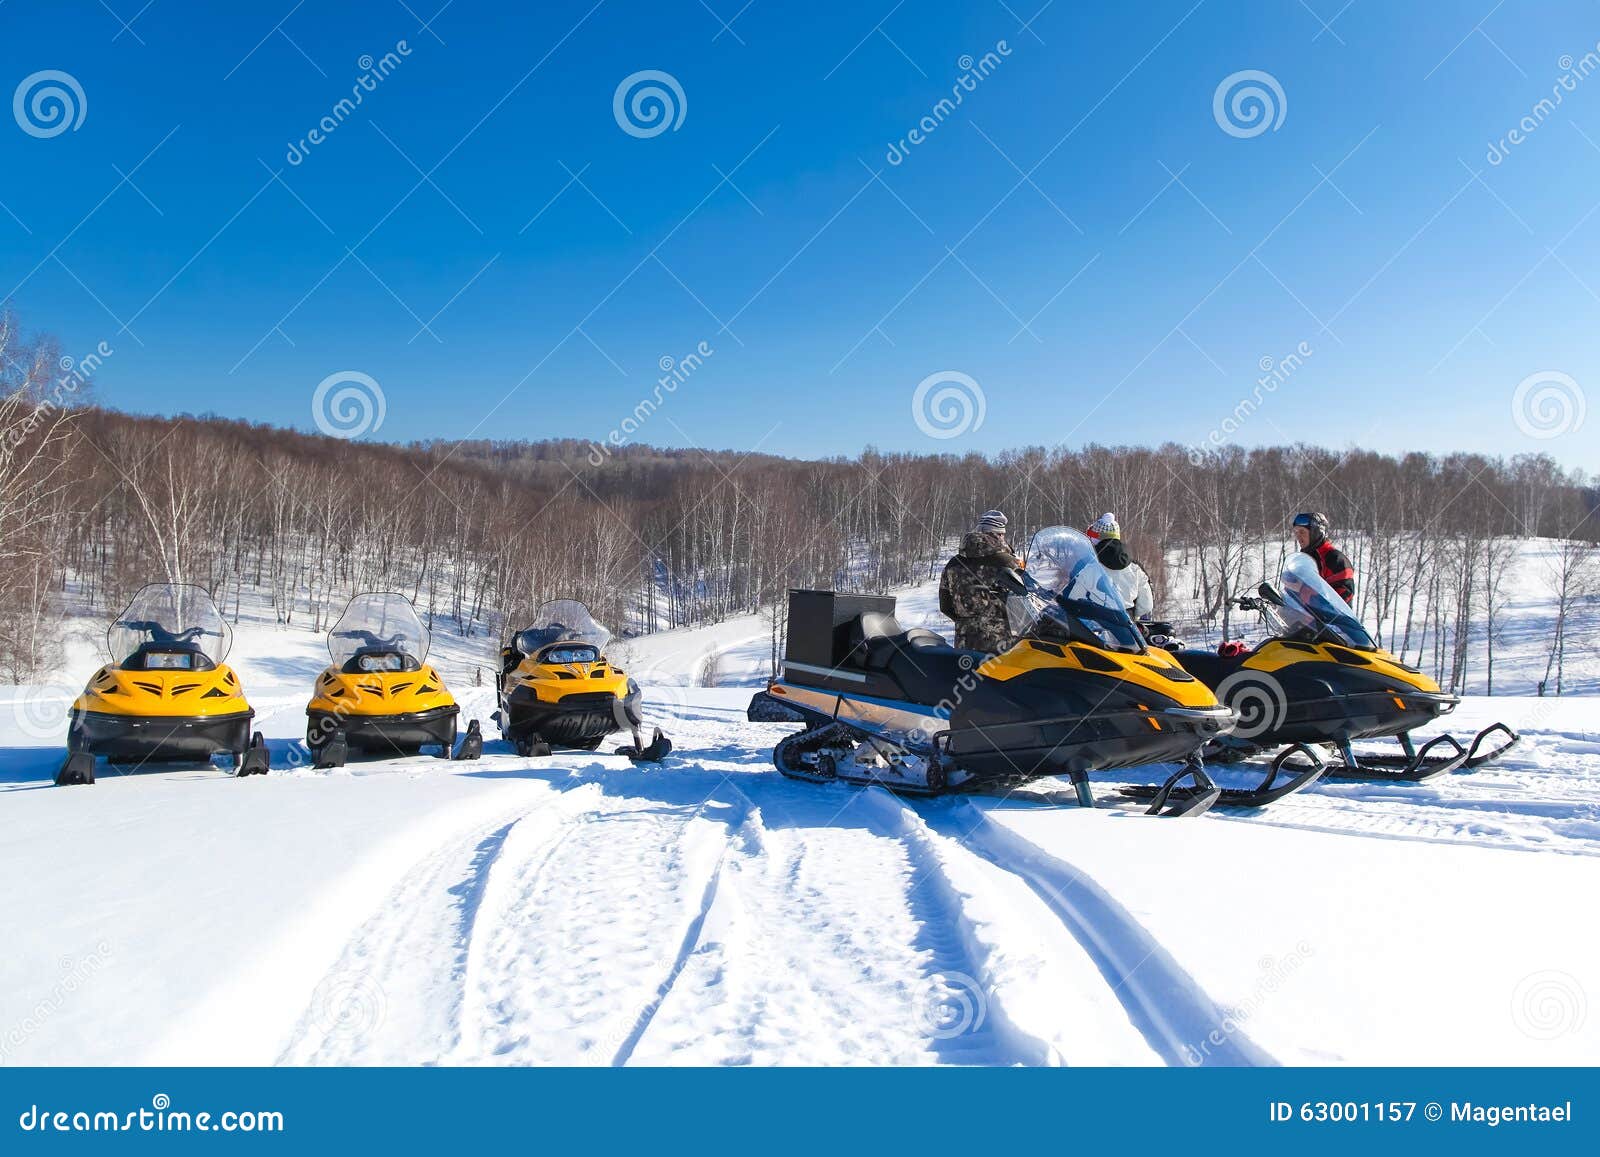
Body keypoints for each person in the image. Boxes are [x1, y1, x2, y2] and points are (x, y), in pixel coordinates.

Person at [939, 510, 1022, 653]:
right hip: (1003, 647)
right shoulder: (1010, 563)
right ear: (999, 535)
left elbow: (945, 606)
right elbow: (1025, 605)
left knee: (966, 675)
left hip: (964, 645)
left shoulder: (953, 564)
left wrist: (967, 622)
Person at [1085, 512, 1154, 619]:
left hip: (1095, 625)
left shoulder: (1087, 566)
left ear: (1094, 540)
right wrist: (1133, 617)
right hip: (1125, 626)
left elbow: (1073, 597)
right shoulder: (1135, 567)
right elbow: (1146, 605)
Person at [1291, 511, 1355, 605]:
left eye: (1302, 532)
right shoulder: (1301, 560)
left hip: (1329, 619)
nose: (1298, 536)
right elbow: (1291, 590)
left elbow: (1342, 600)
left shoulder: (1335, 560)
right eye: (1296, 532)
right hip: (1301, 618)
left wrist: (1311, 600)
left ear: (1316, 532)